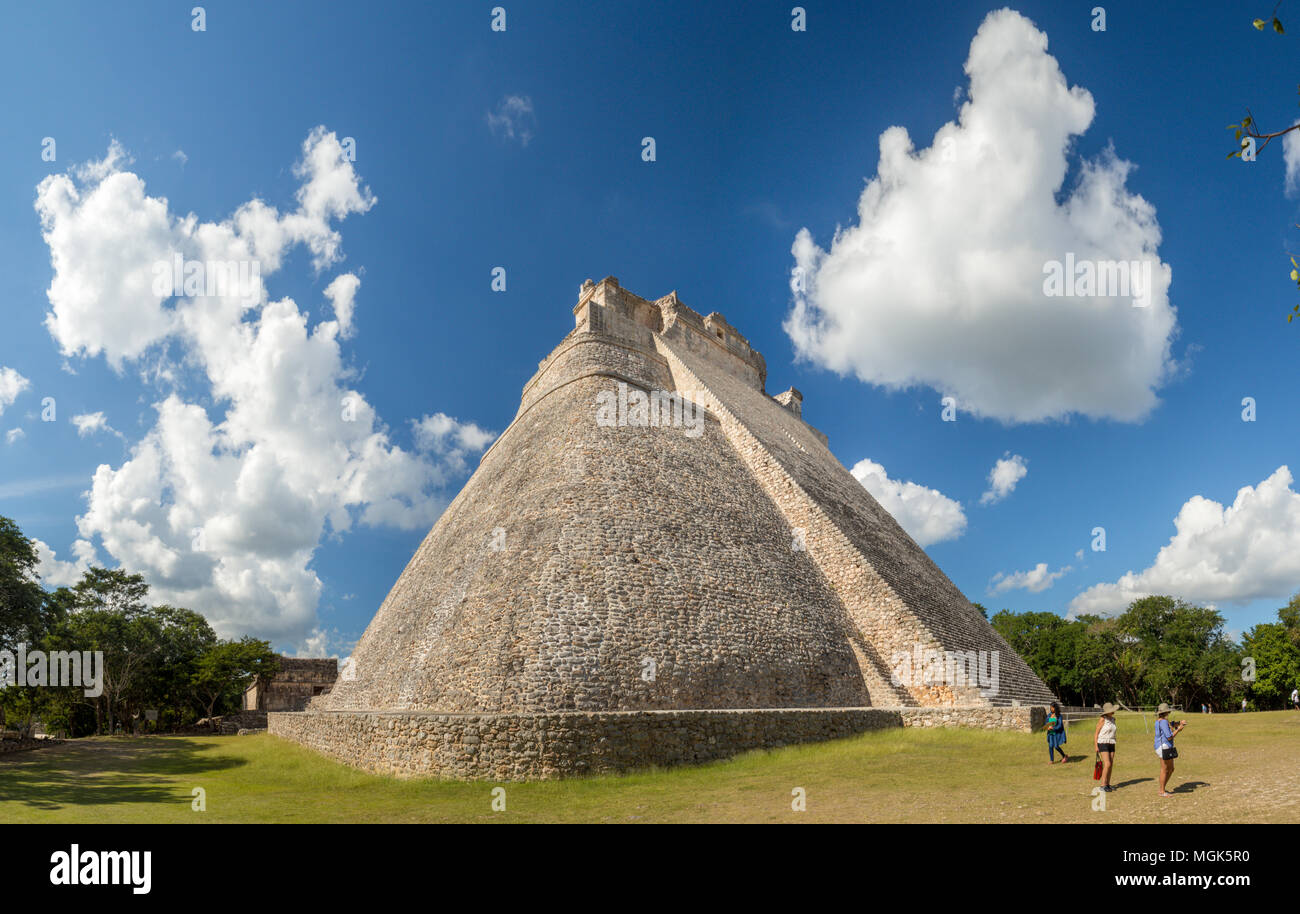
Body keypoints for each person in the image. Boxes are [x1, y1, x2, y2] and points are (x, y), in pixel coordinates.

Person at [1154, 703, 1185, 798]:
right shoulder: (1163, 722)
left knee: (1170, 769)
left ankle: (1162, 789)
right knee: (1165, 769)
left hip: (1162, 747)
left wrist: (1179, 723)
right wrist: (1179, 729)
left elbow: (1170, 725)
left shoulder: (1160, 721)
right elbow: (1169, 737)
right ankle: (1162, 791)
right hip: (1164, 747)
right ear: (1166, 712)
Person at [1094, 702, 1118, 791]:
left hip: (1111, 742)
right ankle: (1102, 785)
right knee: (1107, 764)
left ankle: (1107, 783)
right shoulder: (1102, 719)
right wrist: (1096, 746)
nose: (1113, 712)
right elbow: (1096, 733)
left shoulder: (1113, 719)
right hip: (1102, 742)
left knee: (1111, 764)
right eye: (1111, 711)